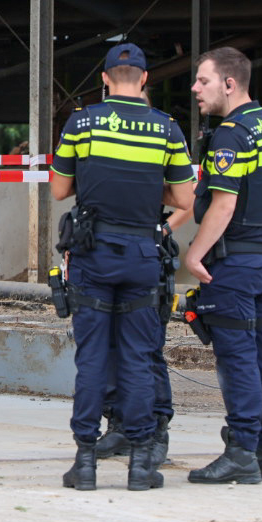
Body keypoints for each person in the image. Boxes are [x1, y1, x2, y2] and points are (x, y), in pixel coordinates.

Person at [50, 43, 196, 492]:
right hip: (142, 255)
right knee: (138, 357)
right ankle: (140, 464)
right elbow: (185, 198)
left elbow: (59, 189)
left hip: (94, 254)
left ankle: (85, 461)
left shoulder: (82, 122)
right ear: (145, 79)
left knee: (93, 358)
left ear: (105, 79)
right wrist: (148, 188)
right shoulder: (166, 128)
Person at [180, 46, 262, 486]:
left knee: (238, 358)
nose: (195, 88)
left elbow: (223, 205)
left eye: (203, 80)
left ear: (229, 83)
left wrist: (194, 253)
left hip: (236, 265)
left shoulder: (231, 135)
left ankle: (242, 450)